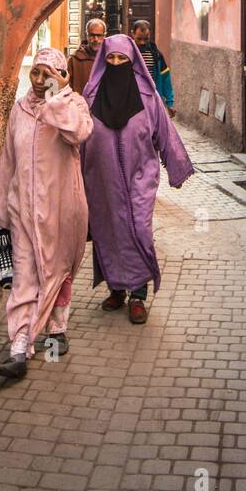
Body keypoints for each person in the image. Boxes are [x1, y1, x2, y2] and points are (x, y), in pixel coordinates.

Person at [0, 47, 93, 379]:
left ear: (60, 76)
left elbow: (79, 132)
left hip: (61, 211)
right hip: (22, 210)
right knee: (25, 277)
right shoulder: (19, 110)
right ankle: (19, 347)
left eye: (46, 74)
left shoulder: (73, 104)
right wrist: (3, 209)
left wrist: (58, 95)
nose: (38, 80)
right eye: (35, 72)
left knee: (57, 272)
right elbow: (9, 160)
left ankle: (57, 329)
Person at [81, 34, 193, 324]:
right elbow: (78, 137)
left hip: (140, 176)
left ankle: (138, 295)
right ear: (103, 61)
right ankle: (116, 290)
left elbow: (165, 132)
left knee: (138, 230)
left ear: (133, 62)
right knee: (108, 231)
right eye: (111, 58)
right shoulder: (91, 95)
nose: (117, 63)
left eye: (122, 59)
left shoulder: (148, 97)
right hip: (101, 180)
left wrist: (177, 168)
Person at [131, 20, 175, 117]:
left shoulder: (156, 55)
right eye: (139, 39)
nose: (142, 42)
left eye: (146, 39)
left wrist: (170, 103)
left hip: (152, 101)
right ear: (132, 34)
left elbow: (165, 78)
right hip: (132, 102)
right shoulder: (127, 54)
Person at [68, 18, 107, 94]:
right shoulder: (74, 60)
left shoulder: (110, 58)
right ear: (87, 35)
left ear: (104, 36)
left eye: (99, 35)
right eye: (92, 35)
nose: (95, 39)